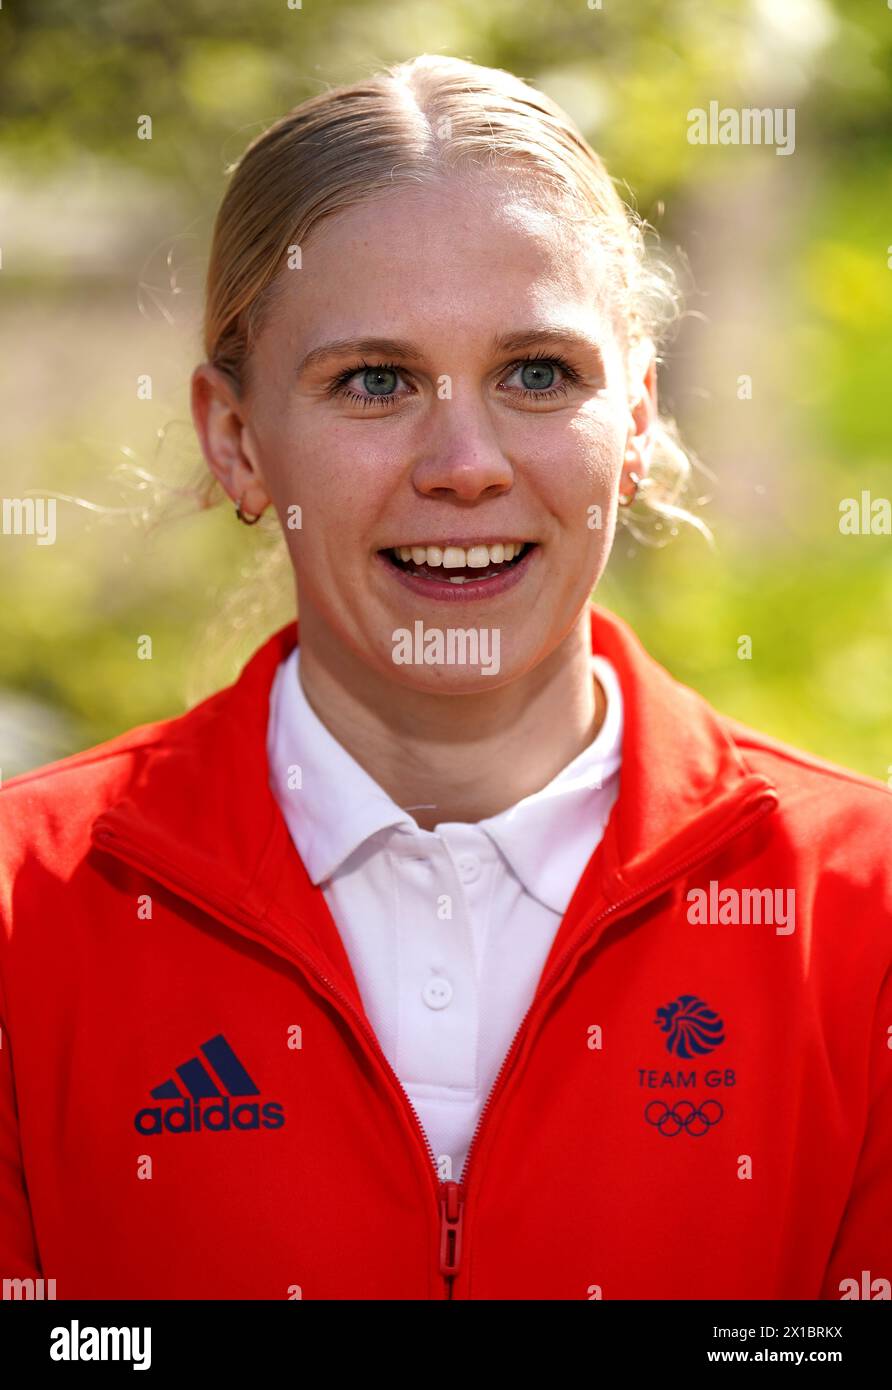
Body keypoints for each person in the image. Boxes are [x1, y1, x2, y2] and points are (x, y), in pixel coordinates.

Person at [1, 54, 890, 1302]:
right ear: (238, 439)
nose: (465, 463)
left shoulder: (864, 916)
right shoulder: (25, 910)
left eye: (538, 374)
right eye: (374, 381)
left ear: (634, 419)